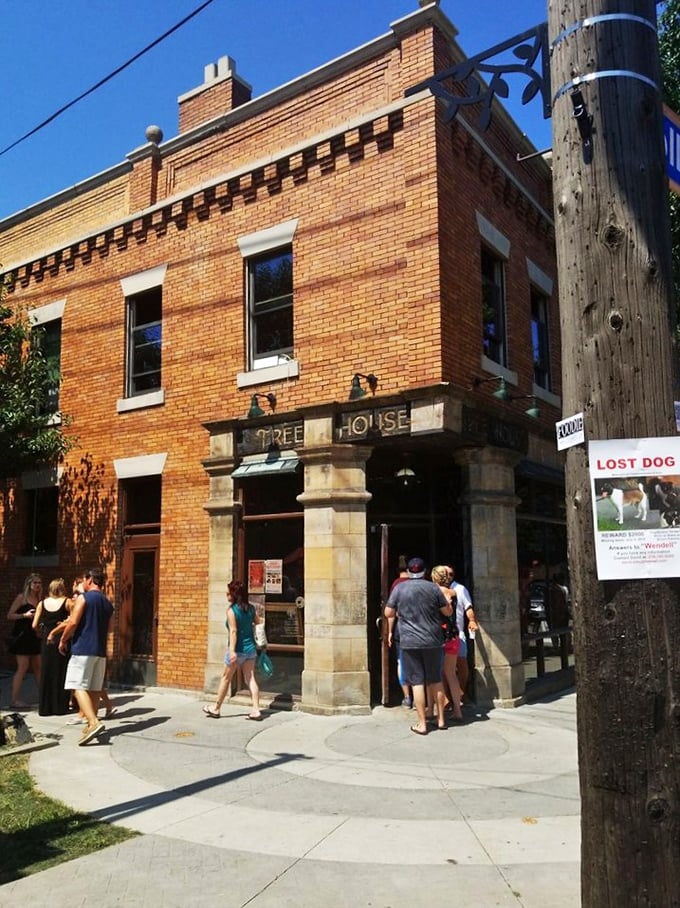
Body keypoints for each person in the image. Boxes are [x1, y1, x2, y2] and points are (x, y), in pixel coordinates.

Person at [385, 557, 452, 735]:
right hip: (433, 640)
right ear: (425, 571)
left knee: (417, 683)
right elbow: (447, 611)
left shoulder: (400, 588)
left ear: (408, 571)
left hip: (410, 642)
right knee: (436, 680)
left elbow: (388, 612)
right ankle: (441, 720)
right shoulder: (433, 588)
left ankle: (422, 724)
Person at [58, 568, 113, 745]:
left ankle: (94, 722)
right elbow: (110, 629)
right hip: (100, 650)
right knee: (95, 688)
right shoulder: (107, 602)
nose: (82, 583)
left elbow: (73, 621)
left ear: (89, 580)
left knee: (77, 686)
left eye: (83, 580)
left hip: (83, 648)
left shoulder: (84, 598)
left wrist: (63, 639)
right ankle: (92, 723)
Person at [203, 579, 263, 721]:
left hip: (237, 650)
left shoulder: (232, 611)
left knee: (226, 678)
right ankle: (256, 709)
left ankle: (216, 708)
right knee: (251, 679)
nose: (226, 594)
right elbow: (258, 622)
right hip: (250, 649)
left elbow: (233, 632)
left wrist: (232, 651)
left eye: (228, 592)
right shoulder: (251, 608)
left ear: (234, 594)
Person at [32, 577, 71, 716]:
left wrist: (40, 633)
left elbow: (34, 625)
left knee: (47, 671)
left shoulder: (42, 603)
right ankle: (60, 706)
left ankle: (45, 707)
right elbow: (73, 620)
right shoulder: (67, 602)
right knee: (61, 671)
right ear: (62, 588)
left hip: (47, 640)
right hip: (62, 639)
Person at [431, 566, 463, 721]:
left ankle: (438, 710)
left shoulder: (435, 593)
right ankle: (458, 710)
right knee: (451, 675)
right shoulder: (454, 593)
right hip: (453, 636)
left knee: (435, 676)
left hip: (438, 637)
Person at [7, 574, 43, 709]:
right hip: (22, 636)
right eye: (35, 583)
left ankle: (44, 696)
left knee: (38, 666)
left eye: (39, 583)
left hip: (34, 635)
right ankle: (14, 700)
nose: (37, 585)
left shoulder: (39, 599)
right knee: (22, 667)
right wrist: (24, 615)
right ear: (29, 584)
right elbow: (10, 615)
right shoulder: (21, 597)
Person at [447, 565, 479, 704]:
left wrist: (471, 620)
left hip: (457, 633)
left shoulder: (460, 589)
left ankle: (460, 692)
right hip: (438, 635)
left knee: (462, 664)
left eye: (450, 574)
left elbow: (468, 607)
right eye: (445, 574)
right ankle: (447, 697)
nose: (447, 576)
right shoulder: (433, 589)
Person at [387, 556, 412, 708]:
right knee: (419, 663)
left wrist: (389, 631)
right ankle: (421, 696)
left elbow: (391, 612)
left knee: (401, 662)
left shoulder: (397, 585)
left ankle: (407, 697)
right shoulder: (424, 585)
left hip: (401, 627)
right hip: (422, 629)